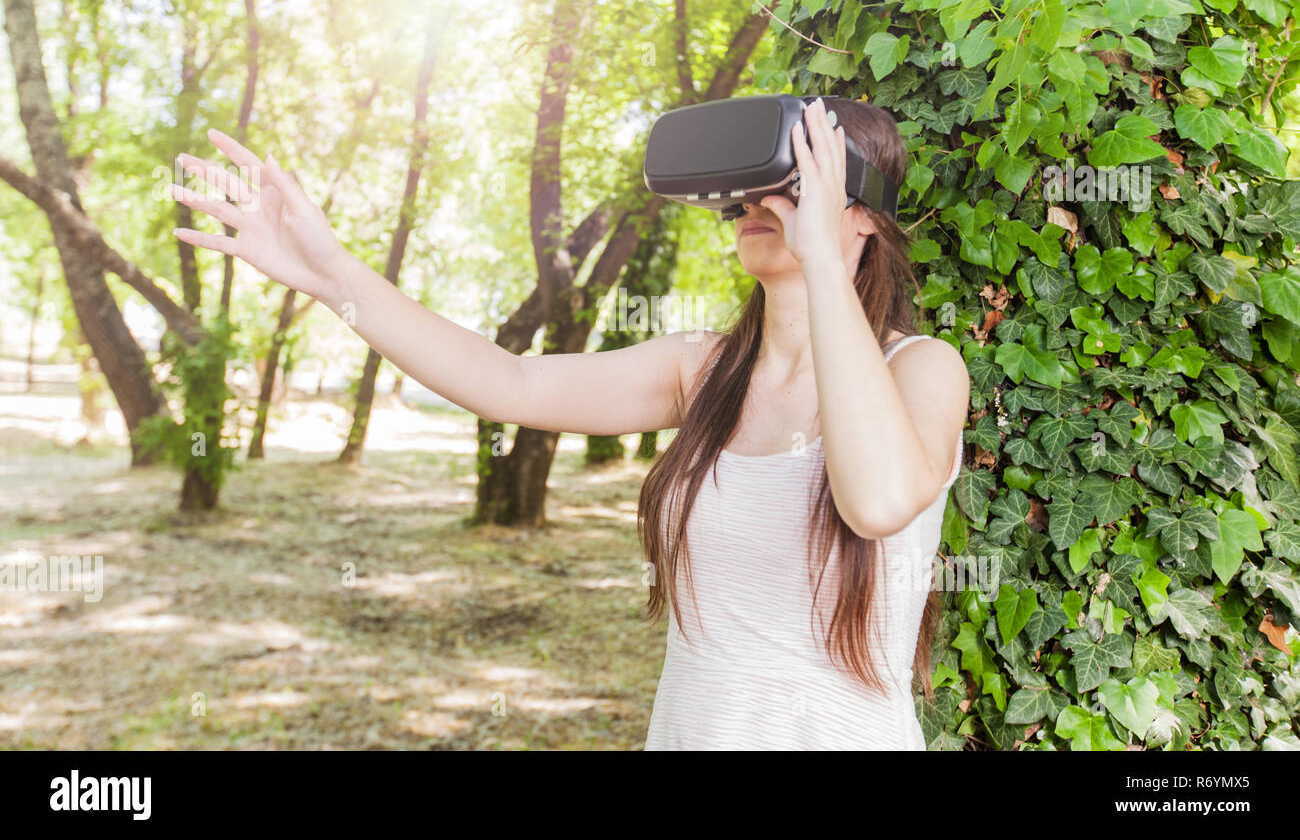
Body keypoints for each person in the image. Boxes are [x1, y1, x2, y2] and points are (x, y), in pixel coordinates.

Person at [170, 96, 971, 749]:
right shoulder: (701, 370)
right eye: (752, 185)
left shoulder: (923, 370)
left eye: (797, 180)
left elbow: (874, 502)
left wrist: (825, 261)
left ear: (864, 216)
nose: (754, 203)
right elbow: (508, 382)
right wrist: (328, 269)